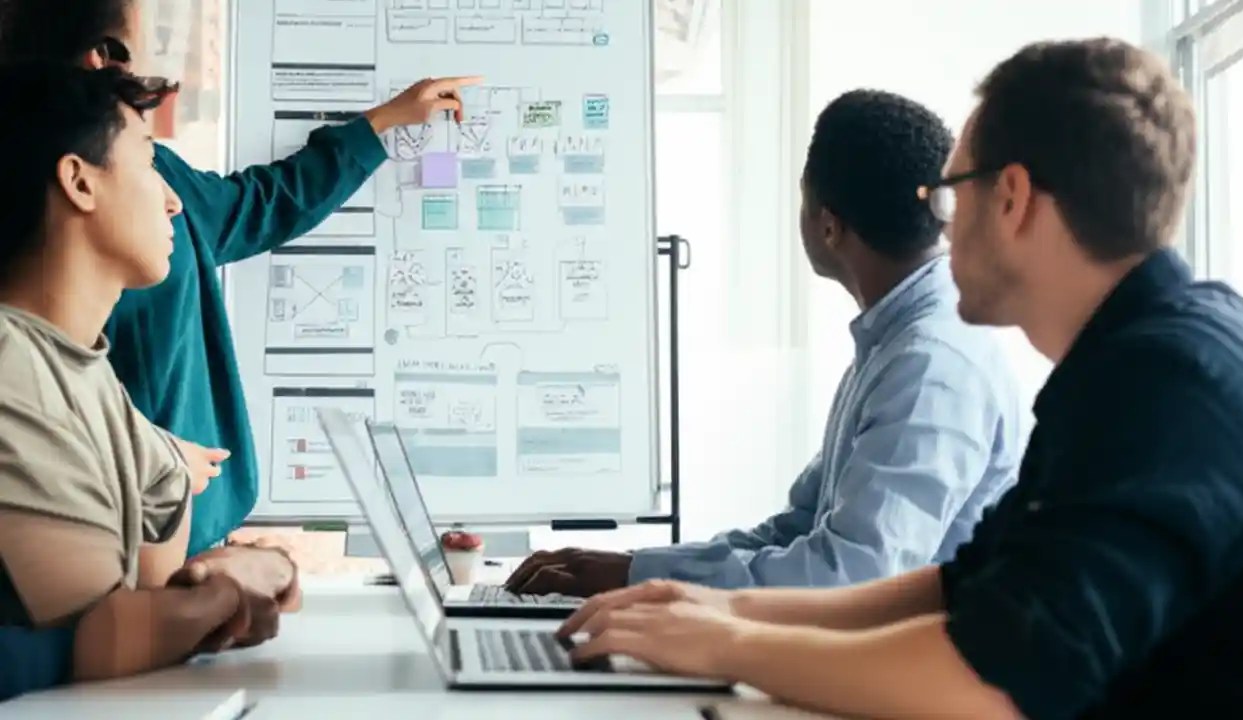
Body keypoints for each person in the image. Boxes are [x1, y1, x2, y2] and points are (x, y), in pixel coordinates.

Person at [554, 38, 1243, 719]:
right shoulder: (1133, 362)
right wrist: (719, 608)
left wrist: (722, 645)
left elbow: (996, 681)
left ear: (1012, 197)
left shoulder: (1169, 387)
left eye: (951, 191)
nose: (938, 222)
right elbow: (957, 589)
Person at [0, 0, 480, 555]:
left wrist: (380, 124)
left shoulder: (142, 172)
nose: (173, 202)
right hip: (119, 534)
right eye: (135, 55)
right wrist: (152, 464)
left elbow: (251, 206)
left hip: (177, 533)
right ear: (100, 61)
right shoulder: (32, 353)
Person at [507, 90, 1027, 598]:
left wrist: (640, 581)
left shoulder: (931, 365)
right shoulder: (895, 340)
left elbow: (846, 577)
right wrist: (637, 570)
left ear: (827, 226)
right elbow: (798, 530)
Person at [0, 62, 297, 689]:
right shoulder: (9, 360)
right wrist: (224, 597)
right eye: (148, 162)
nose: (173, 199)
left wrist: (239, 575)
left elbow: (154, 591)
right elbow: (104, 635)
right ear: (79, 181)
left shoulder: (88, 373)